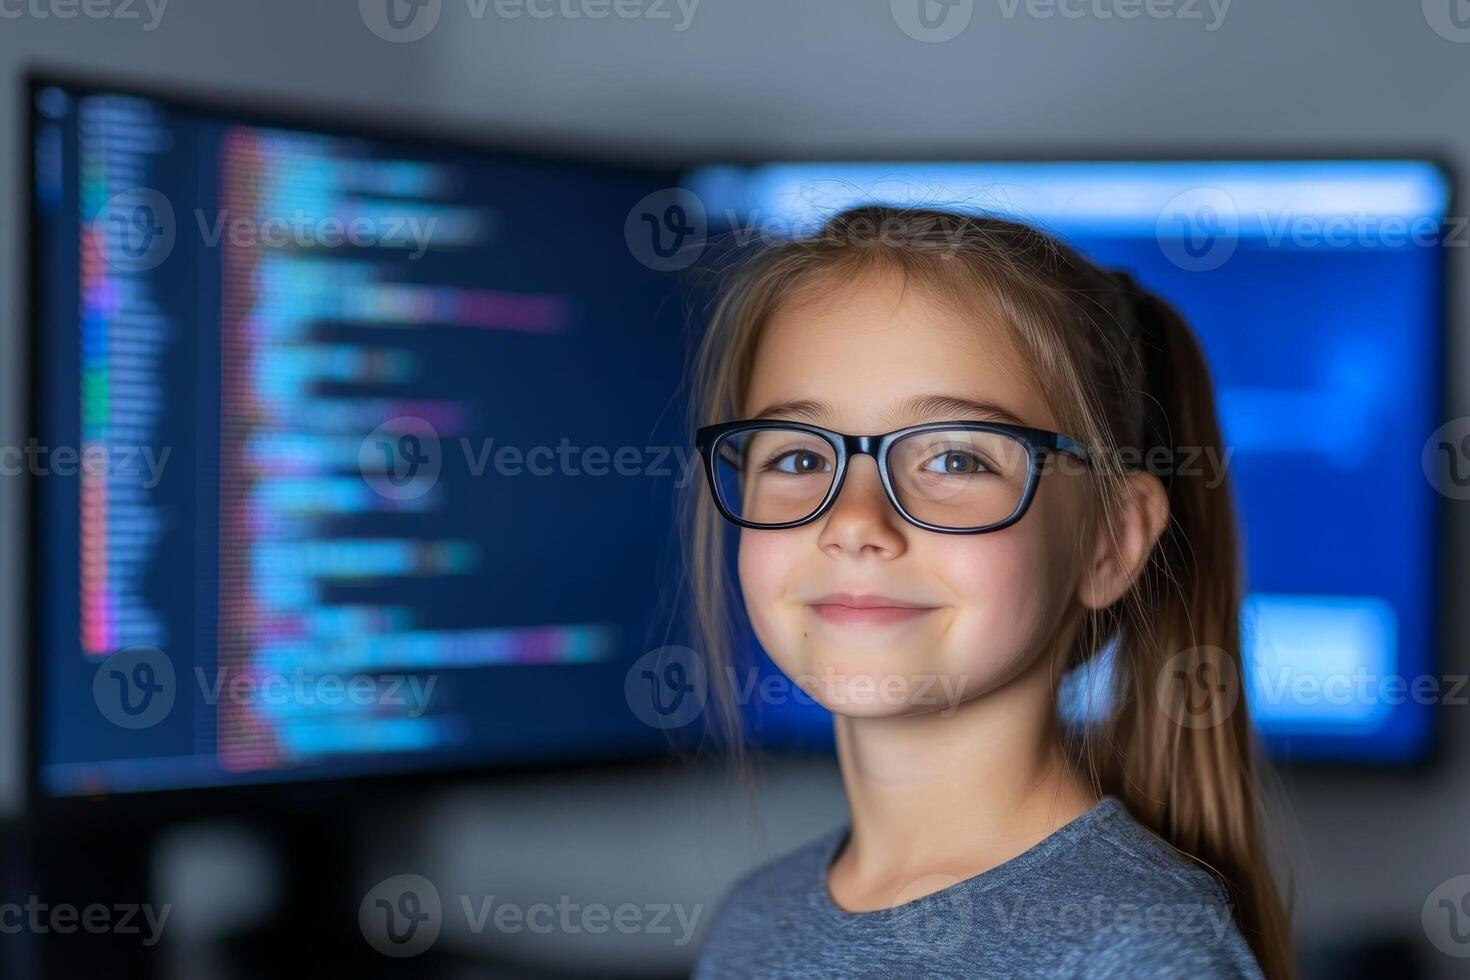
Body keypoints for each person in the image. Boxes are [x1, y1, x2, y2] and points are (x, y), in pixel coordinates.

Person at [681, 206, 1293, 978]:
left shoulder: (1138, 953)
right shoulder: (754, 920)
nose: (854, 522)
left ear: (1110, 542)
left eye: (957, 461)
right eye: (800, 459)